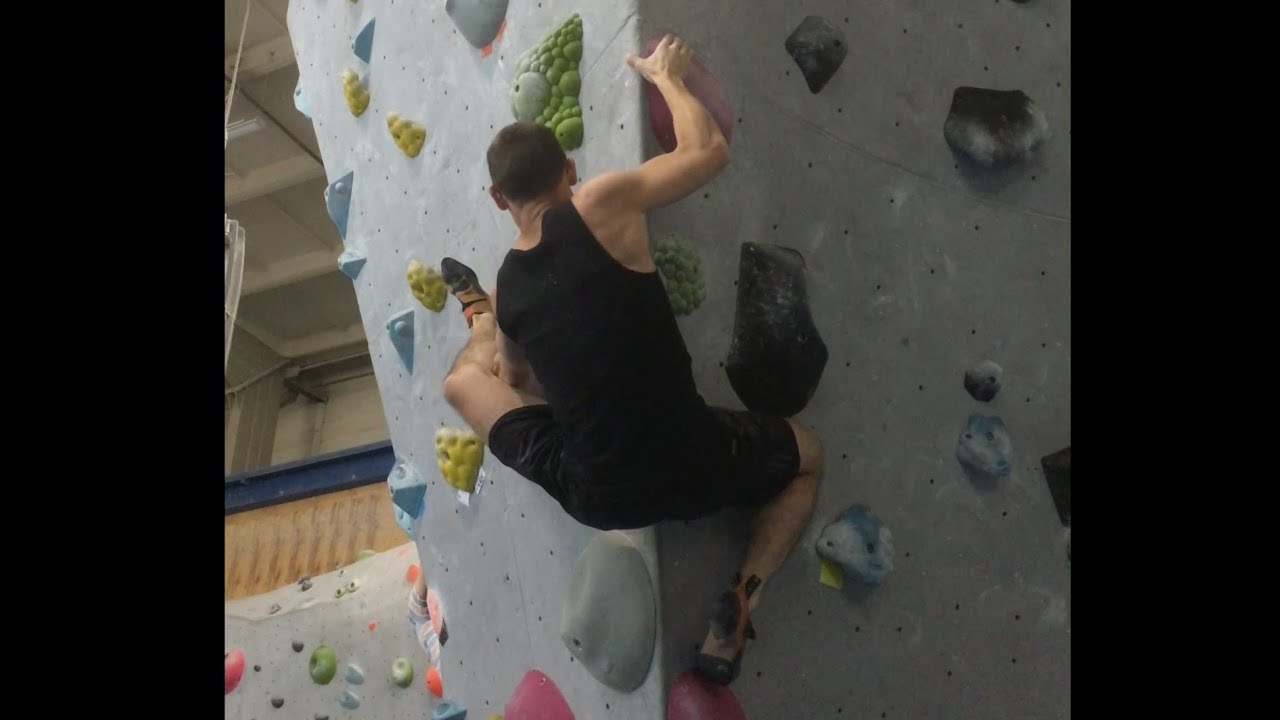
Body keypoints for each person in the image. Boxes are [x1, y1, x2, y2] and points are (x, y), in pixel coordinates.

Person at [437, 34, 823, 685]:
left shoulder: (512, 288)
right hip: (694, 459)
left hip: (596, 491)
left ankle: (474, 315)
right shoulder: (601, 203)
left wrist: (532, 341)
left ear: (498, 198)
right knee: (807, 458)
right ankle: (740, 602)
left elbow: (520, 384)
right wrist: (665, 75)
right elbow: (707, 151)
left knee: (464, 382)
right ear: (569, 171)